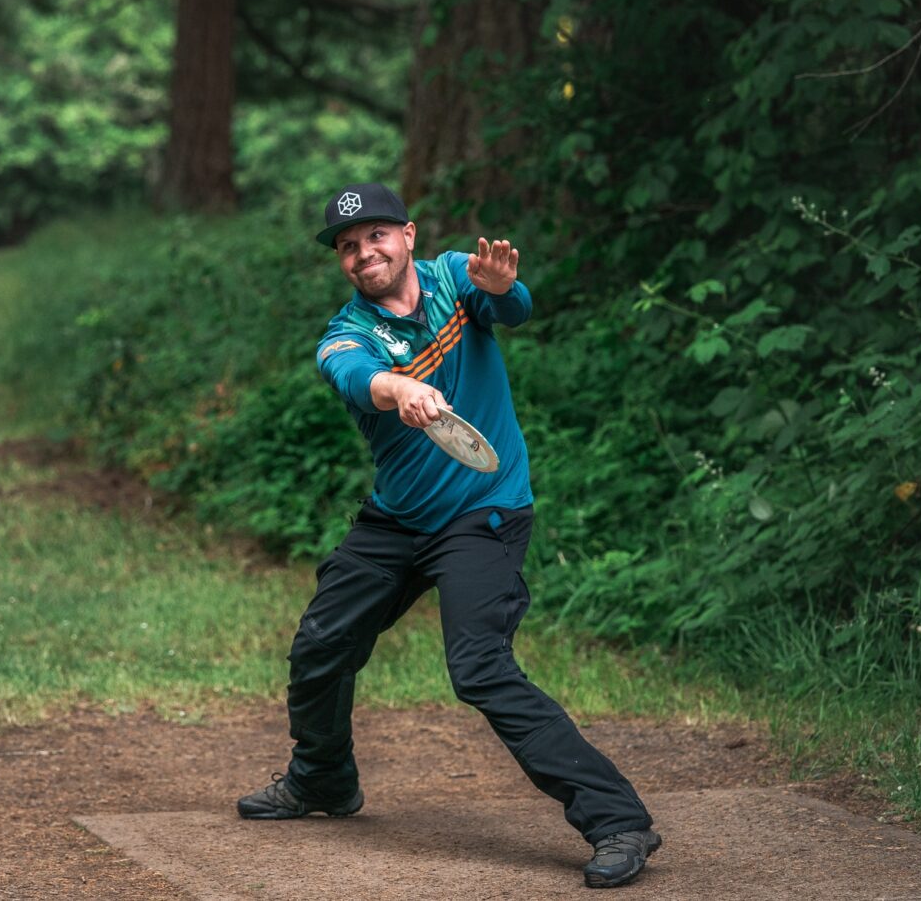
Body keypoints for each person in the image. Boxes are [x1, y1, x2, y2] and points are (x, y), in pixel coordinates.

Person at [235, 183, 662, 889]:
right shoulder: (347, 333)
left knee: (480, 668)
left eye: (374, 237)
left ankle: (619, 822)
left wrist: (506, 288)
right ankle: (322, 781)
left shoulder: (453, 276)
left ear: (406, 235)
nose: (362, 253)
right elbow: (357, 376)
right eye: (347, 246)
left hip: (483, 513)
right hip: (398, 519)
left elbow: (512, 307)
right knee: (320, 645)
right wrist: (400, 389)